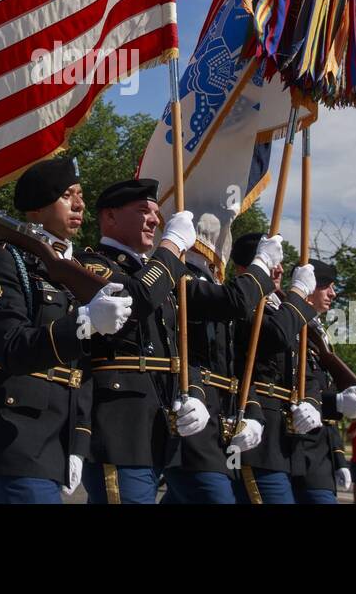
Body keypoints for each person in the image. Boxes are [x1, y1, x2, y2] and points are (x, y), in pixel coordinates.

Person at [0, 157, 125, 503]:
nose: (80, 204)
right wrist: (84, 325)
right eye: (68, 195)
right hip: (14, 434)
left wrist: (79, 440)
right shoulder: (5, 259)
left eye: (80, 194)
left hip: (58, 437)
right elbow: (11, 347)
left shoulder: (77, 270)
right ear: (36, 209)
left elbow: (82, 371)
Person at [78, 177, 198, 505]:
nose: (155, 220)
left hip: (160, 425)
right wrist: (172, 244)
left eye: (157, 214)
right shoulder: (91, 264)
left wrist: (195, 394)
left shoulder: (160, 270)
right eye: (143, 210)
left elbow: (181, 344)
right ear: (110, 217)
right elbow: (137, 299)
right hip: (120, 427)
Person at [163, 233, 283, 504]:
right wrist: (268, 269)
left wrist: (252, 412)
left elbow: (237, 366)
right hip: (193, 423)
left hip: (222, 426)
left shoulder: (216, 285)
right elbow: (241, 306)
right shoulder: (179, 280)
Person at [289, 258, 356, 505]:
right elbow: (289, 389)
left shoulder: (318, 333)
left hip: (320, 455)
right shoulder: (290, 326)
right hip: (293, 447)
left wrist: (339, 457)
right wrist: (337, 401)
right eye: (326, 286)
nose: (332, 293)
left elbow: (325, 392)